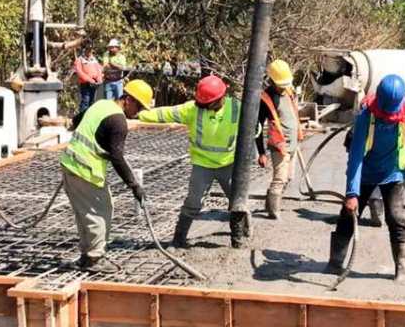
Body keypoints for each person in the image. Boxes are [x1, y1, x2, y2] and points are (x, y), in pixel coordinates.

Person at [330, 74, 405, 281]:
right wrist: (352, 193)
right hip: (366, 173)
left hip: (394, 172)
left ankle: (401, 267)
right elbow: (355, 157)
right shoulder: (366, 116)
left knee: (395, 218)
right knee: (348, 216)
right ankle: (335, 262)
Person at [137, 75, 244, 247]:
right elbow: (166, 113)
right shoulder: (193, 109)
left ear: (219, 99)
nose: (202, 107)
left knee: (237, 200)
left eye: (206, 104)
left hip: (228, 163)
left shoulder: (237, 108)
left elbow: (253, 128)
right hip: (202, 164)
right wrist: (141, 113)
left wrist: (255, 134)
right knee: (193, 202)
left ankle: (239, 237)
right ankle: (179, 239)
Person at [60, 79, 154, 269]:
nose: (139, 112)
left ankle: (87, 255)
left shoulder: (102, 104)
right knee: (100, 212)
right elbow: (117, 157)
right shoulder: (118, 121)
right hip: (85, 170)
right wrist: (134, 185)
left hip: (71, 164)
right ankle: (95, 258)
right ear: (127, 99)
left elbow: (77, 121)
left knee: (85, 213)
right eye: (139, 106)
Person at [255, 59, 303, 220]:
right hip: (279, 145)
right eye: (280, 84)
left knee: (289, 178)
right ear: (272, 80)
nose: (283, 87)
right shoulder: (266, 98)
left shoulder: (289, 91)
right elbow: (257, 127)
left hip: (293, 143)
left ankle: (269, 203)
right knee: (280, 179)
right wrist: (261, 152)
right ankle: (273, 212)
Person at [74, 46, 103, 114]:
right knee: (85, 101)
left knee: (92, 101)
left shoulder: (94, 60)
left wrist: (99, 79)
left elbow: (99, 70)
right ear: (84, 50)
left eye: (90, 50)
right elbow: (79, 72)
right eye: (87, 50)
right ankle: (82, 117)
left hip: (94, 83)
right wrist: (89, 80)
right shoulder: (80, 60)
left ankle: (91, 117)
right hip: (85, 84)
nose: (89, 52)